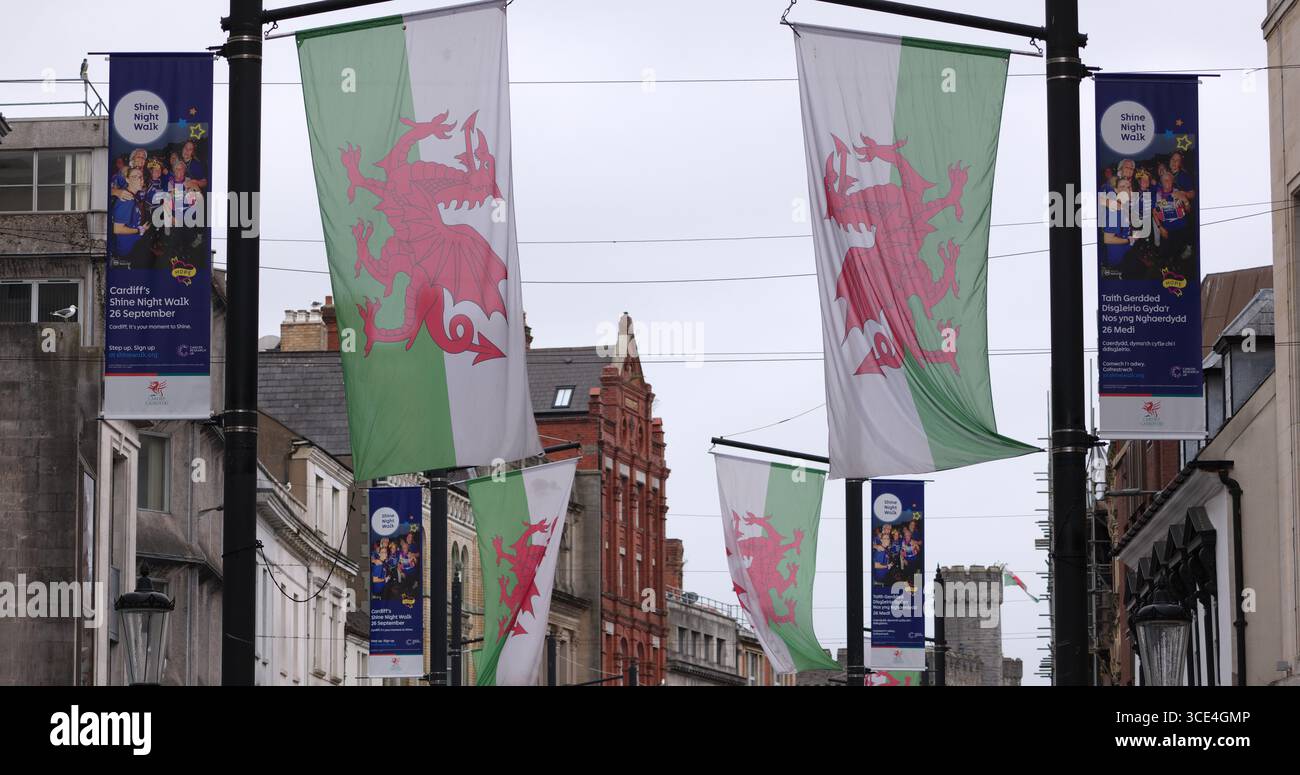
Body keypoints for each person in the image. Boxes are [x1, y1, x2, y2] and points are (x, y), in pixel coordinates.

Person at [110, 168, 151, 266]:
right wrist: (139, 230)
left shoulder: (133, 196)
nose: (140, 180)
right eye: (135, 177)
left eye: (141, 177)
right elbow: (117, 229)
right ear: (127, 179)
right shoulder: (127, 199)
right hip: (127, 251)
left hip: (134, 245)